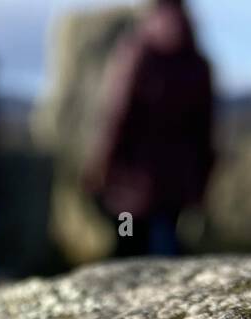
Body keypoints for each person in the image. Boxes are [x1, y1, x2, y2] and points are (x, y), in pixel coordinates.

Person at [84, 0, 216, 258]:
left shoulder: (137, 53)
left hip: (134, 182)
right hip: (180, 180)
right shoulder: (198, 63)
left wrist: (100, 167)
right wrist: (202, 184)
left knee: (129, 252)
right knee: (168, 249)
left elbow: (117, 116)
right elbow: (206, 132)